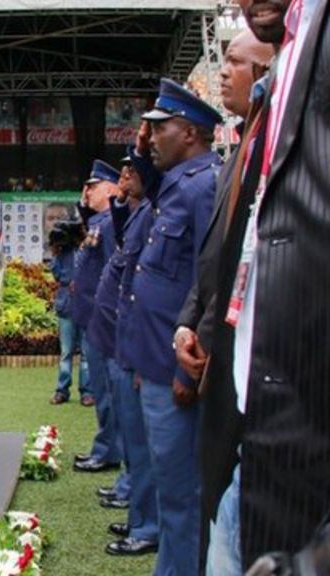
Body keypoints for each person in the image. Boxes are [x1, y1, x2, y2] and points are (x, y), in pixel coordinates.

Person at [200, 0, 330, 569]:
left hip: (300, 434)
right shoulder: (291, 62)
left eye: (236, 63)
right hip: (254, 412)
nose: (228, 74)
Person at [170, 26, 273, 575]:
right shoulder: (239, 151)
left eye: (234, 63)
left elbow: (242, 263)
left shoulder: (257, 152)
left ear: (266, 70)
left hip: (243, 367)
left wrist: (204, 338)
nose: (223, 73)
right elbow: (211, 263)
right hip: (212, 351)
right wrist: (187, 327)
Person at [125, 78, 223, 575]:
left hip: (180, 368)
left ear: (189, 133)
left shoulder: (206, 184)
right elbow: (146, 180)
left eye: (159, 128)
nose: (149, 135)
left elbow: (211, 279)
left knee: (182, 496)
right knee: (172, 492)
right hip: (160, 363)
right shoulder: (181, 181)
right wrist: (142, 150)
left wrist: (189, 370)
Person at [101, 157, 160, 556]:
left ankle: (148, 524)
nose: (121, 181)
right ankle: (141, 516)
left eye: (129, 173)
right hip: (123, 339)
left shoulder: (156, 210)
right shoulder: (136, 215)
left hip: (141, 346)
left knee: (145, 446)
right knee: (136, 441)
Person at [70, 161, 123, 477]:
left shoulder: (111, 223)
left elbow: (111, 271)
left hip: (102, 320)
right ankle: (106, 448)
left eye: (94, 186)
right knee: (103, 389)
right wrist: (84, 203)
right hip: (92, 318)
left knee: (107, 392)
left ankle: (108, 451)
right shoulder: (99, 221)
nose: (87, 191)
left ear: (113, 189)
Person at [47, 219, 89, 406]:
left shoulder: (89, 249)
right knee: (66, 352)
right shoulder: (63, 252)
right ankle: (62, 390)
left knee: (86, 353)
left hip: (87, 304)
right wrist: (55, 251)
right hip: (66, 304)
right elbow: (55, 274)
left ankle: (87, 392)